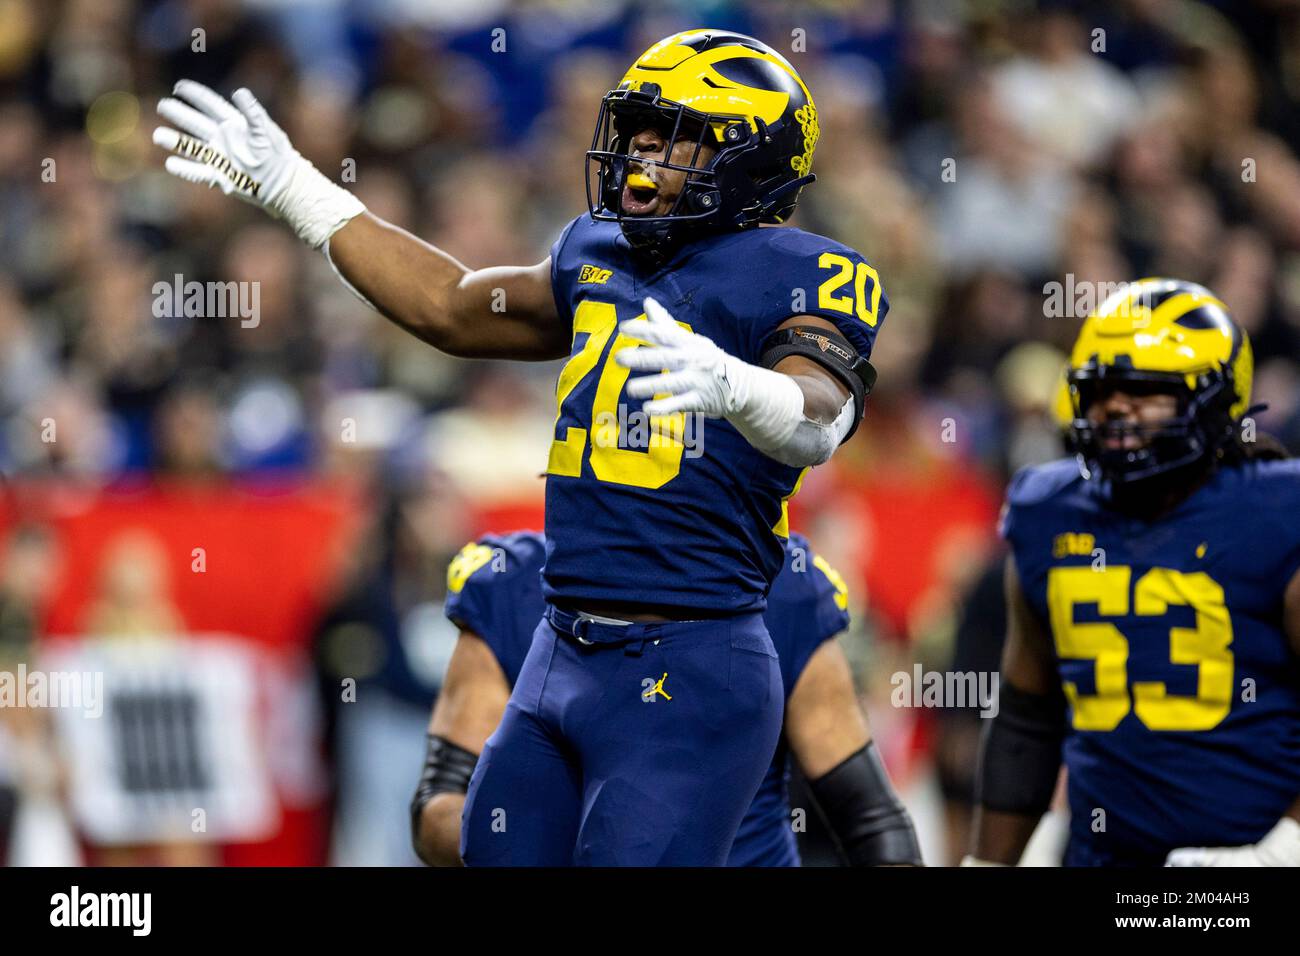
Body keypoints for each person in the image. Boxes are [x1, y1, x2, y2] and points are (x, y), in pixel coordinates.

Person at [155, 29, 887, 865]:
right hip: (560, 647)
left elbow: (822, 415)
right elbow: (453, 307)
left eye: (669, 136)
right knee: (479, 850)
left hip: (692, 659)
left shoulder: (802, 269)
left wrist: (739, 385)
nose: (637, 157)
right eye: (634, 132)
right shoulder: (596, 250)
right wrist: (300, 191)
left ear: (749, 158)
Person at [968, 277, 1300, 867]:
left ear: (1216, 398)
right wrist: (988, 863)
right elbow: (1027, 714)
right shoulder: (1048, 510)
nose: (1115, 408)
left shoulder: (1277, 512)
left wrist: (1282, 848)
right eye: (1100, 391)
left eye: (1143, 389)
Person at [411, 530, 921, 867]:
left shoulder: (785, 584)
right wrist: (542, 836)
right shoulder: (511, 583)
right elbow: (436, 809)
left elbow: (869, 818)